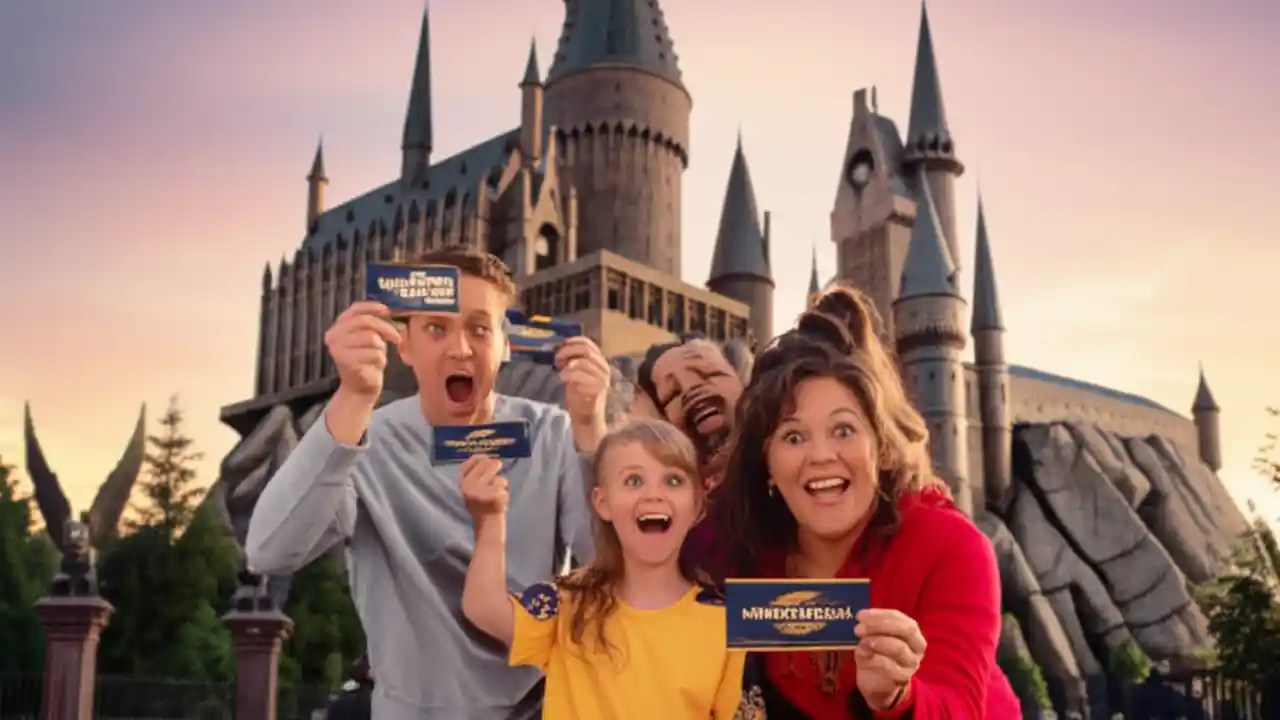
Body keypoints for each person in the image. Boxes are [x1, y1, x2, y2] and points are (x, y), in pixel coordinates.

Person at [244, 249, 612, 720]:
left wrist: (592, 434)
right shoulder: (365, 440)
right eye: (437, 328)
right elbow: (270, 552)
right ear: (406, 346)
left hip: (539, 707)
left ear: (506, 344)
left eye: (480, 329)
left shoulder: (553, 432)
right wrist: (351, 399)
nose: (460, 348)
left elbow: (607, 565)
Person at [711, 286, 1021, 718]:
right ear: (766, 463)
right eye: (794, 436)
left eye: (843, 430)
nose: (821, 455)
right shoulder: (749, 549)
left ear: (882, 446)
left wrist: (897, 697)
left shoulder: (949, 546)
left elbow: (958, 706)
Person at [458, 417, 752, 720]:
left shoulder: (724, 619)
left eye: (673, 480)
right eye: (634, 481)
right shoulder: (569, 601)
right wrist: (490, 519)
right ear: (602, 502)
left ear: (697, 505)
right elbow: (483, 609)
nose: (654, 494)